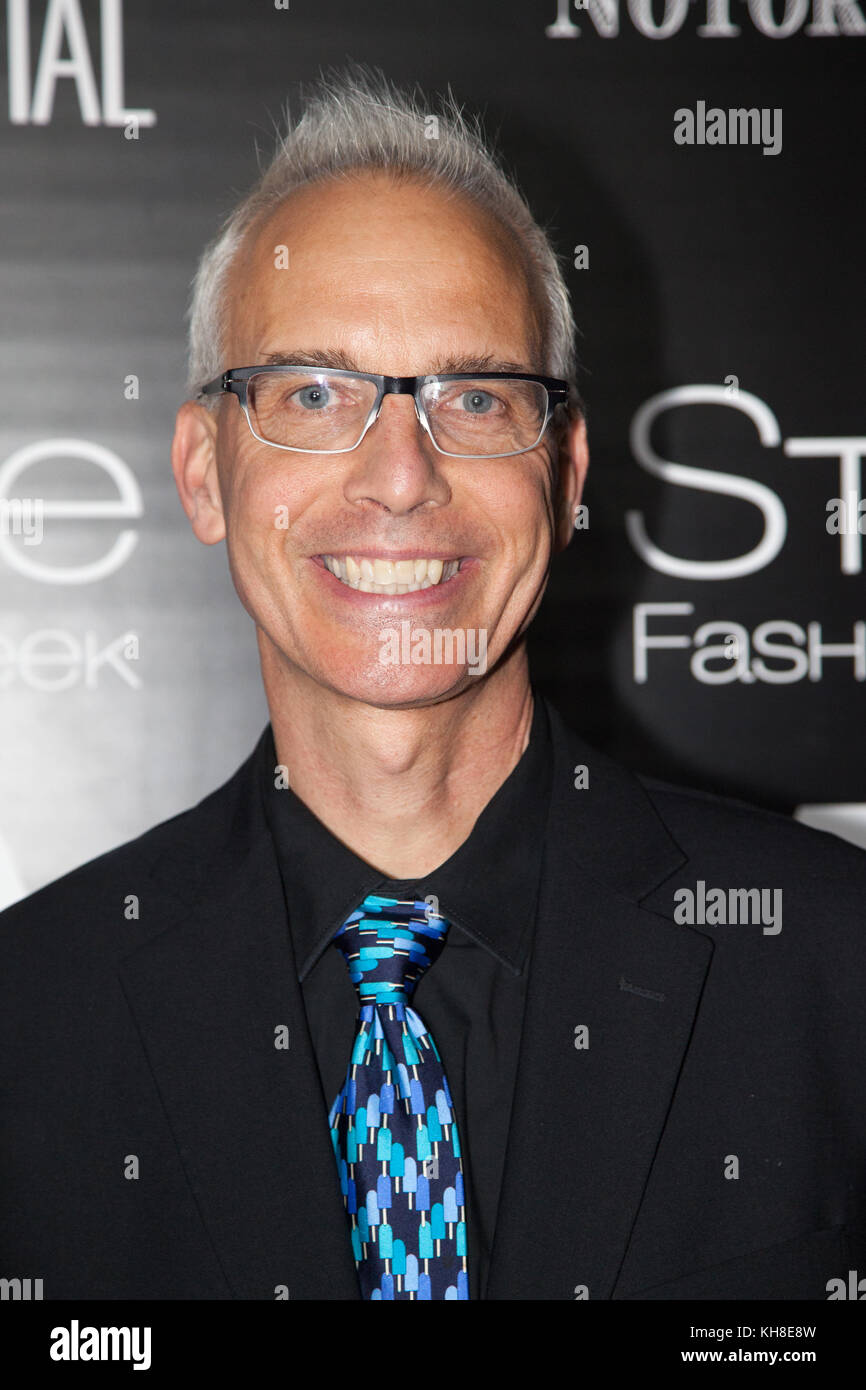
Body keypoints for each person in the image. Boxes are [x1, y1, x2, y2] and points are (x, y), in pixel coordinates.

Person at [2, 66, 864, 1302]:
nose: (399, 476)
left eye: (473, 396)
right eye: (312, 393)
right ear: (203, 471)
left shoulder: (831, 967)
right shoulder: (30, 1016)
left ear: (565, 473)